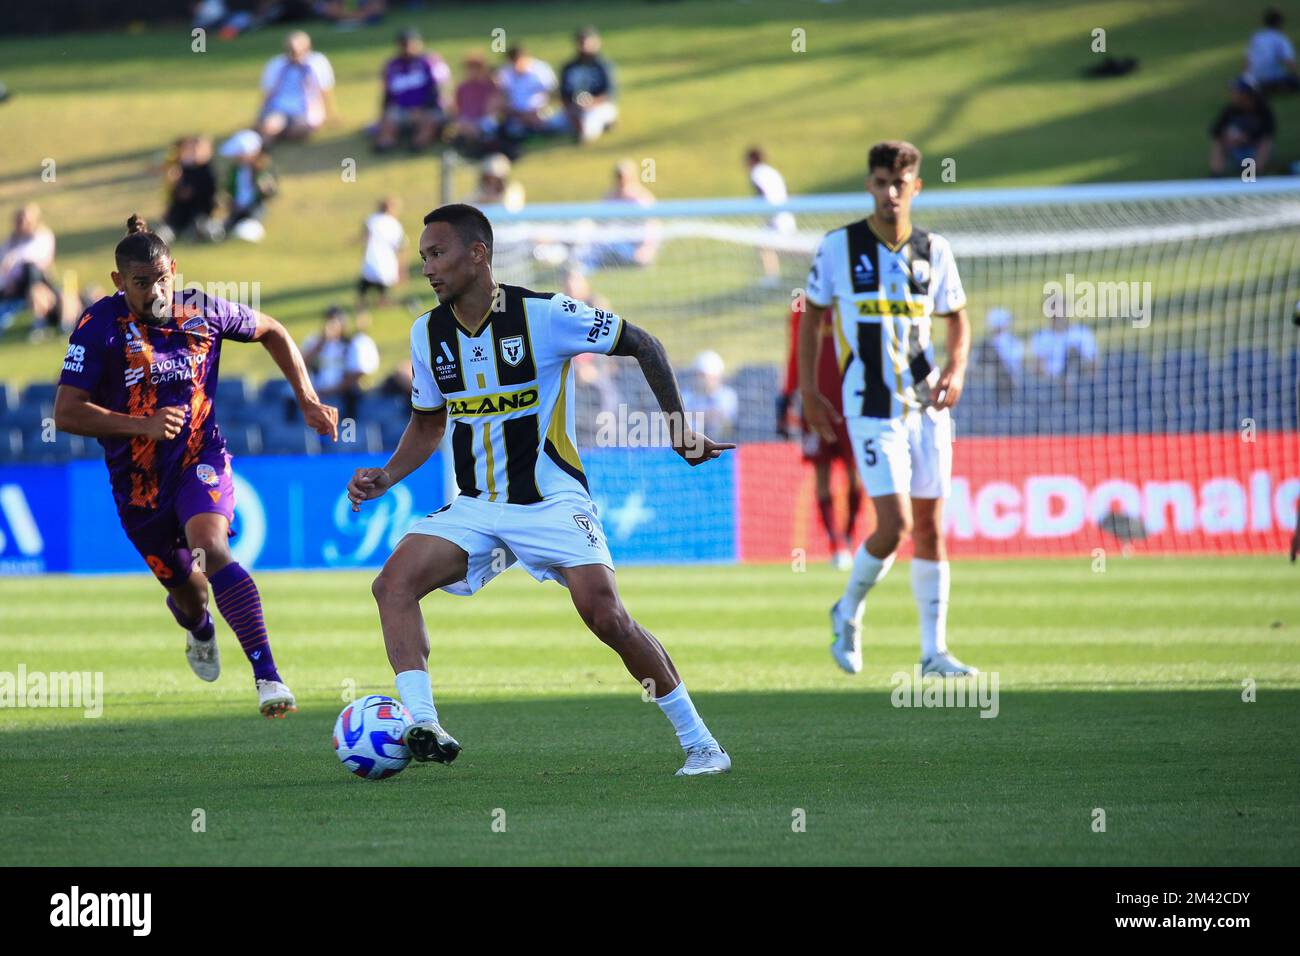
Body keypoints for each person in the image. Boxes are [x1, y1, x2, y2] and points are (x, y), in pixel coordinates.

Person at [347, 203, 736, 776]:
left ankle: (703, 744)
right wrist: (386, 476)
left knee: (606, 616)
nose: (426, 268)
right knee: (392, 584)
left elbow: (644, 343)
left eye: (437, 254)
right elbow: (428, 423)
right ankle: (424, 722)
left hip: (550, 500)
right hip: (477, 505)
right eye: (423, 257)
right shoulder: (427, 333)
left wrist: (678, 428)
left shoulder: (546, 315)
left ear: (478, 253)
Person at [52, 215, 338, 717]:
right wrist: (141, 425)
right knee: (191, 597)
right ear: (119, 282)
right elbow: (66, 412)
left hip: (199, 460)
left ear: (175, 270)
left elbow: (272, 330)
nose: (155, 292)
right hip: (139, 488)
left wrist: (307, 398)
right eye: (142, 283)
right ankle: (199, 628)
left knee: (211, 547)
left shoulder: (202, 310)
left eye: (162, 279)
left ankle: (268, 677)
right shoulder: (98, 327)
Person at [801, 140, 977, 678]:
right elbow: (812, 317)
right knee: (895, 523)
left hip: (927, 405)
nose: (890, 193)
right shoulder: (838, 247)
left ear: (915, 187)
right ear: (869, 186)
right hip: (870, 405)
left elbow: (958, 317)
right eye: (881, 183)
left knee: (930, 527)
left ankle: (933, 652)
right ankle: (847, 608)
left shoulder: (935, 250)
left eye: (899, 183)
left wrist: (957, 368)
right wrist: (808, 391)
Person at [781, 303, 862, 570]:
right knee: (822, 475)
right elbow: (795, 352)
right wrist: (788, 394)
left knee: (855, 477)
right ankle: (835, 544)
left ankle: (848, 536)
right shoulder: (803, 307)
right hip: (814, 403)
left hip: (853, 405)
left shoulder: (852, 299)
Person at [374, 27, 449, 153]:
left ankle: (418, 144)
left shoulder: (431, 61)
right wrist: (383, 114)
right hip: (402, 109)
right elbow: (388, 94)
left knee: (428, 122)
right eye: (403, 44)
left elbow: (438, 90)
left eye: (411, 43)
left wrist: (422, 108)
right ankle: (386, 142)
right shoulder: (392, 65)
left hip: (428, 109)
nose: (407, 48)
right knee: (389, 120)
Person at [257, 30, 336, 144]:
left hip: (307, 111)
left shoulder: (317, 62)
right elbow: (268, 92)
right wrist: (259, 116)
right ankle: (265, 139)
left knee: (299, 129)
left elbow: (325, 90)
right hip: (280, 109)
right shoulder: (277, 64)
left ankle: (278, 133)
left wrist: (330, 114)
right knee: (272, 125)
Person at [0, 204, 61, 336]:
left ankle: (40, 319)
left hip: (36, 279)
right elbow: (3, 264)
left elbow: (39, 260)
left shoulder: (42, 236)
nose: (21, 224)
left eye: (25, 221)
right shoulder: (10, 242)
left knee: (31, 270)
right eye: (19, 221)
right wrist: (7, 282)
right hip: (13, 284)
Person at [559, 26, 618, 144]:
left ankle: (601, 125)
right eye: (581, 43)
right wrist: (572, 110)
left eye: (587, 42)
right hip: (574, 108)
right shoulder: (569, 67)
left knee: (588, 128)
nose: (584, 46)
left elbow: (609, 93)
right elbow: (564, 94)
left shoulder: (603, 65)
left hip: (599, 106)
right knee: (552, 124)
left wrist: (591, 104)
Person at [745, 147, 795, 286]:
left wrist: (765, 210)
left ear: (751, 160)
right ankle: (772, 276)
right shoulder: (771, 171)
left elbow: (763, 193)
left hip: (775, 214)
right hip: (784, 211)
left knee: (780, 247)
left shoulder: (756, 173)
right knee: (766, 244)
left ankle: (772, 278)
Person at [1209, 76, 1275, 176]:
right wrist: (1229, 137)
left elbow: (1268, 133)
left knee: (1265, 142)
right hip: (1236, 148)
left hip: (1254, 150)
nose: (1233, 94)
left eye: (1236, 92)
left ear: (1247, 94)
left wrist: (1247, 138)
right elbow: (1215, 130)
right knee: (1218, 142)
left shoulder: (1263, 111)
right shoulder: (1230, 110)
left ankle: (1254, 173)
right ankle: (1216, 175)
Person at [220, 130, 278, 242]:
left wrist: (266, 190)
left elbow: (271, 191)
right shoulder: (235, 170)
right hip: (237, 207)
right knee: (225, 229)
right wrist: (229, 200)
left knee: (248, 229)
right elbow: (230, 188)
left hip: (254, 208)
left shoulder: (262, 170)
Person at [160, 136, 221, 243]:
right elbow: (176, 196)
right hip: (181, 213)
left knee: (199, 226)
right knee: (170, 228)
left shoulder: (208, 171)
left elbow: (209, 194)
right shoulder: (182, 169)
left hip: (200, 212)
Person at [495, 45, 561, 142]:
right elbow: (501, 97)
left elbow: (553, 93)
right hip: (517, 115)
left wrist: (537, 110)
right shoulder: (505, 73)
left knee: (553, 123)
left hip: (540, 112)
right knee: (512, 130)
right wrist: (518, 114)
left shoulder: (541, 69)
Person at [448, 51, 501, 151]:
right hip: (466, 120)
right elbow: (457, 108)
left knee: (486, 124)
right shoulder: (462, 87)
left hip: (483, 119)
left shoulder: (489, 86)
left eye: (476, 68)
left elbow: (491, 109)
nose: (472, 72)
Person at [358, 197, 407, 305]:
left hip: (371, 262)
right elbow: (401, 247)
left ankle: (362, 313)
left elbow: (364, 237)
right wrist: (402, 270)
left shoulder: (372, 220)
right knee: (382, 295)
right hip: (387, 265)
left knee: (362, 293)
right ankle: (392, 304)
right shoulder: (395, 224)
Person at [971, 307, 1024, 405]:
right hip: (989, 383)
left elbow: (1012, 368)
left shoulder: (1012, 341)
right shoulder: (988, 343)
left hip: (1007, 383)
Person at [683, 350, 738, 441]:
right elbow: (679, 418)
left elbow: (725, 418)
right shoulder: (686, 396)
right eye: (700, 376)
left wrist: (696, 415)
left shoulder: (728, 395)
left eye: (708, 377)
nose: (704, 381)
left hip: (721, 441)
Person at [1245, 7, 1299, 96]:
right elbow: (1288, 61)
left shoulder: (1256, 36)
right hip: (1273, 78)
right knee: (1293, 80)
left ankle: (1257, 88)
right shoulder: (1280, 38)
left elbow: (1248, 60)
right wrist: (1297, 74)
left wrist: (1246, 77)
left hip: (1256, 78)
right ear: (1280, 23)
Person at [1029, 312, 1097, 381]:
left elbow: (1094, 365)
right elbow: (1036, 368)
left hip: (1080, 381)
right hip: (1051, 382)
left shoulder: (1082, 333)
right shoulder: (1041, 337)